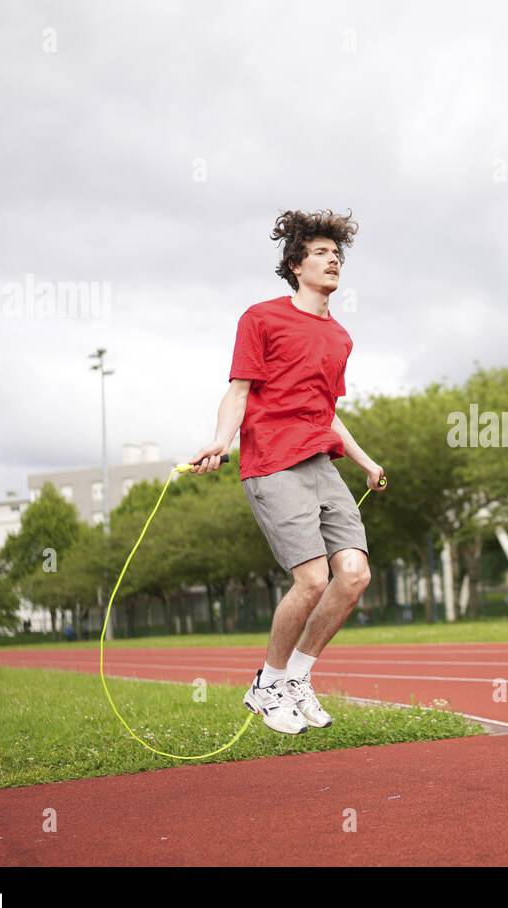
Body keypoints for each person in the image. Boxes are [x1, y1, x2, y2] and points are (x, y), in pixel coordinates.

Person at [187, 208, 386, 735]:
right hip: (272, 463)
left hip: (322, 463)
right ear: (296, 265)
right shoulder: (262, 318)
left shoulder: (340, 337)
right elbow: (240, 390)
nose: (333, 259)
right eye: (321, 252)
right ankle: (267, 684)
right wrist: (221, 441)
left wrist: (366, 463)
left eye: (337, 253)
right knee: (312, 578)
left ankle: (297, 677)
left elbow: (327, 411)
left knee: (355, 574)